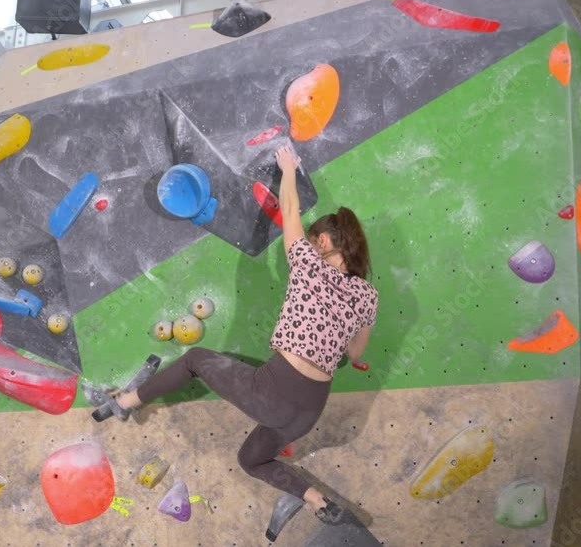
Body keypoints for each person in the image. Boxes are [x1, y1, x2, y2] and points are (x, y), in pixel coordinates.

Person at [93, 144, 378, 533]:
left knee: (195, 359)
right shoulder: (367, 296)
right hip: (309, 410)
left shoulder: (310, 265)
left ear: (324, 244)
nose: (310, 246)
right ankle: (317, 501)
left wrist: (288, 168)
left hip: (276, 392)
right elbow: (355, 351)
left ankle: (126, 401)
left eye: (314, 241)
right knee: (252, 459)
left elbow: (290, 211)